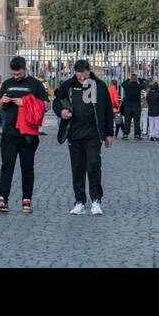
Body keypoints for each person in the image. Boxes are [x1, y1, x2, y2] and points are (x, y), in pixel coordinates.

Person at [0, 55, 48, 215]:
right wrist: (3, 101)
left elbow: (45, 106)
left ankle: (26, 200)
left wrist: (26, 102)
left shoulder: (35, 84)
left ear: (25, 69)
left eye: (19, 74)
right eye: (14, 74)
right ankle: (2, 199)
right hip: (9, 132)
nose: (16, 77)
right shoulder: (7, 84)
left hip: (28, 133)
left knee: (27, 168)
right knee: (6, 166)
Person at [53, 59, 114, 215]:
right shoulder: (68, 85)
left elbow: (108, 110)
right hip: (73, 134)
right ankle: (79, 202)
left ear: (89, 71)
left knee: (94, 165)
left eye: (84, 73)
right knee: (77, 168)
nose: (81, 76)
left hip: (94, 134)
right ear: (75, 72)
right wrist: (61, 112)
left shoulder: (99, 85)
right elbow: (56, 102)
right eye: (78, 73)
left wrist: (109, 134)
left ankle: (96, 201)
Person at [120, 72, 143, 140]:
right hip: (136, 106)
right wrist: (139, 79)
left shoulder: (127, 85)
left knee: (127, 121)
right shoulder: (139, 86)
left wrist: (128, 79)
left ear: (131, 79)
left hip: (127, 106)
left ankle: (125, 134)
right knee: (137, 121)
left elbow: (122, 83)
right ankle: (137, 134)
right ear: (136, 79)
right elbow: (143, 85)